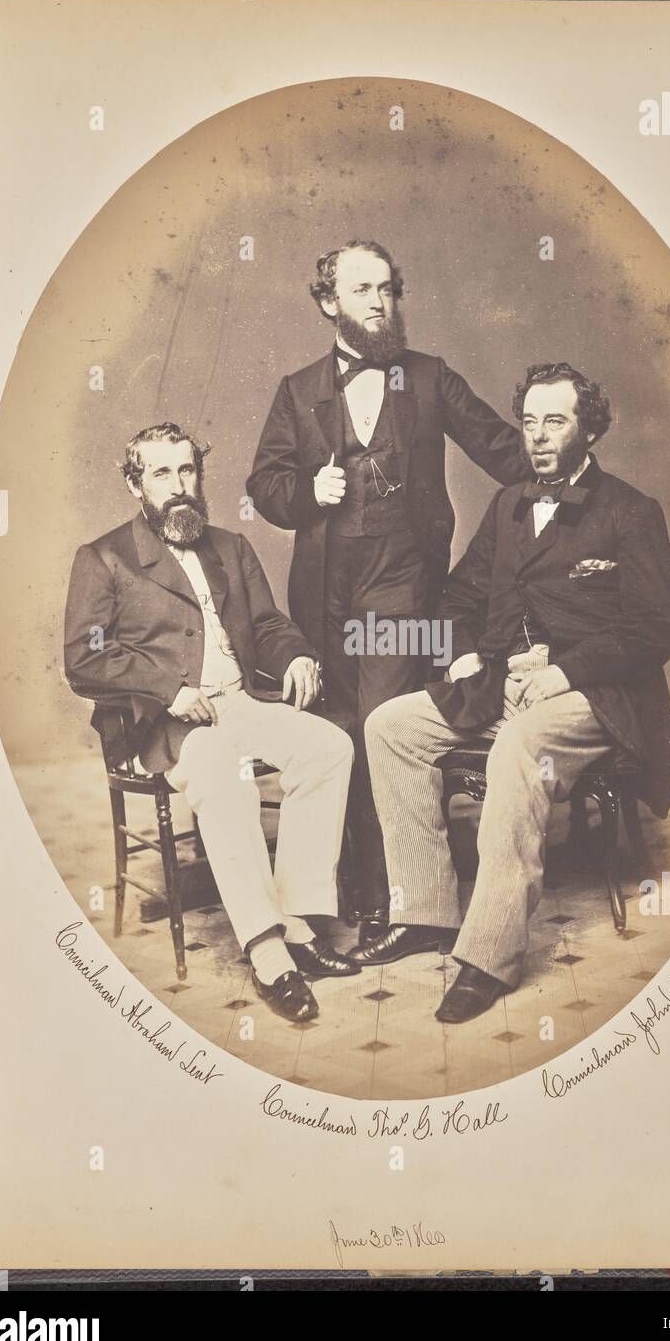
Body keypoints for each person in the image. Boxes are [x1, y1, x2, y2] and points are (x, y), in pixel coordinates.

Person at [355, 363, 670, 1023]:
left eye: (554, 421)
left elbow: (656, 628)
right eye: (529, 421)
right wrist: (465, 652)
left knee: (519, 749)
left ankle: (487, 957)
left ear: (588, 429)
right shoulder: (509, 505)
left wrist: (563, 672)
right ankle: (424, 913)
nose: (537, 436)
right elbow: (460, 595)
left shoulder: (629, 512)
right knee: (390, 726)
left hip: (593, 694)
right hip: (503, 678)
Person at [246, 240, 527, 938]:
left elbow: (502, 449)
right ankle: (347, 880)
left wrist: (569, 471)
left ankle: (394, 900)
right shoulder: (298, 390)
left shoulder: (430, 378)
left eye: (388, 288)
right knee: (336, 728)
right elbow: (265, 487)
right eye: (365, 289)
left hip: (401, 585)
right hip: (323, 587)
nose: (381, 302)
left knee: (378, 723)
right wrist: (309, 490)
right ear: (328, 303)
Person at [64, 422, 358, 1026]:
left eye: (188, 470)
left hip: (241, 701)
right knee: (224, 776)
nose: (179, 486)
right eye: (161, 473)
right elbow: (85, 657)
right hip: (168, 723)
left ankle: (299, 919)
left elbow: (269, 626)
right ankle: (269, 950)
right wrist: (170, 690)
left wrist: (297, 654)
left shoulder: (230, 547)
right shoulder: (104, 558)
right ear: (134, 484)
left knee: (329, 747)